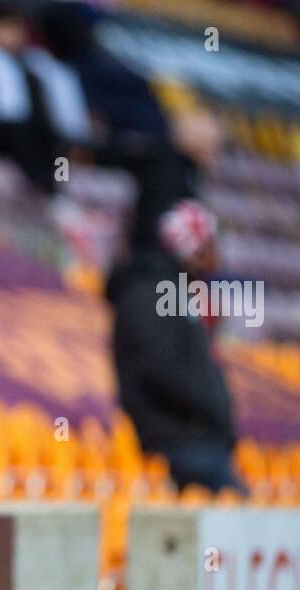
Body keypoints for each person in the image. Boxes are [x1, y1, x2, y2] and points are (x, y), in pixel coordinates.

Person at [108, 198, 241, 493]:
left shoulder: (173, 292)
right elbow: (162, 368)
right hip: (175, 442)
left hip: (194, 438)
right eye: (208, 246)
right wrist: (211, 409)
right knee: (240, 517)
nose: (215, 258)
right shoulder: (151, 294)